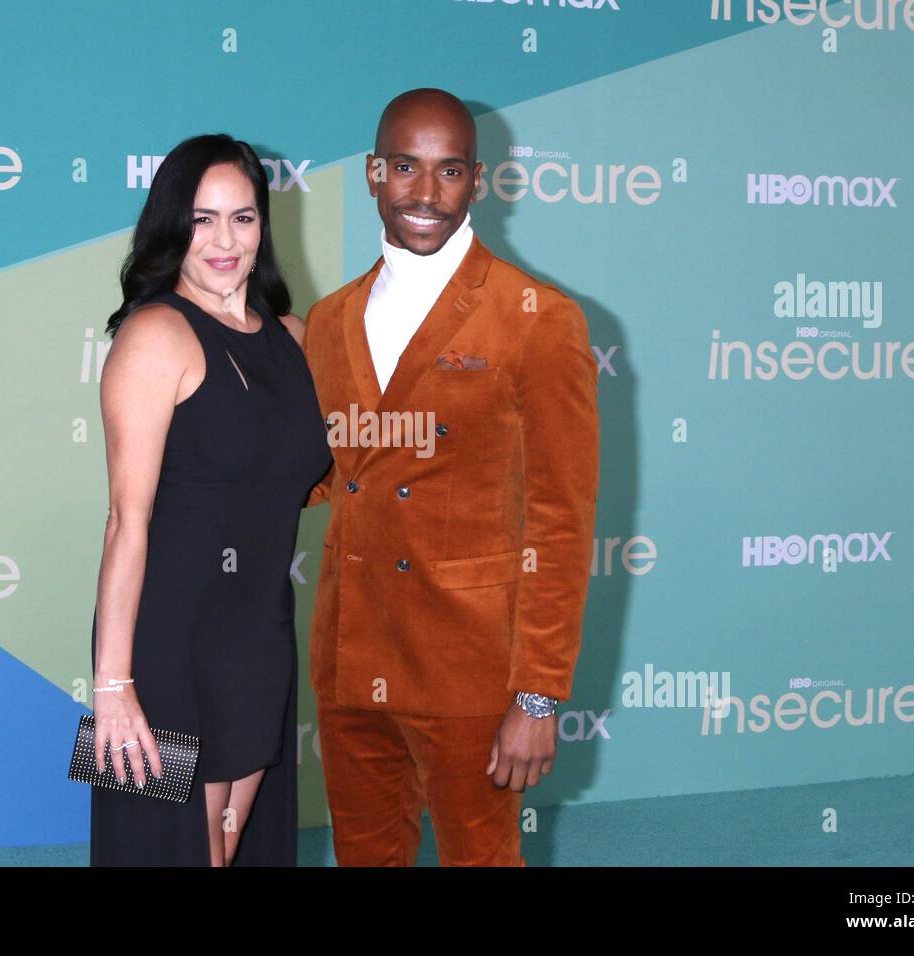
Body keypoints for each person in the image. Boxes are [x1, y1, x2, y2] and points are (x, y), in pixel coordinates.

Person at [301, 88, 600, 866]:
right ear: (373, 173)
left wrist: (537, 696)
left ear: (478, 181)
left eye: (449, 171)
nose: (425, 195)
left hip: (473, 670)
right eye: (405, 167)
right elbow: (325, 476)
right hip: (352, 654)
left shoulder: (539, 317)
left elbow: (561, 520)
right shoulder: (329, 321)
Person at [88, 133, 332, 866]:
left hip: (259, 635)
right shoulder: (155, 333)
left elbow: (305, 474)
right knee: (177, 854)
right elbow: (126, 523)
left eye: (244, 217)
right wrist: (112, 683)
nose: (225, 240)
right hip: (167, 645)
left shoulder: (296, 336)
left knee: (230, 850)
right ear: (172, 227)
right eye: (202, 219)